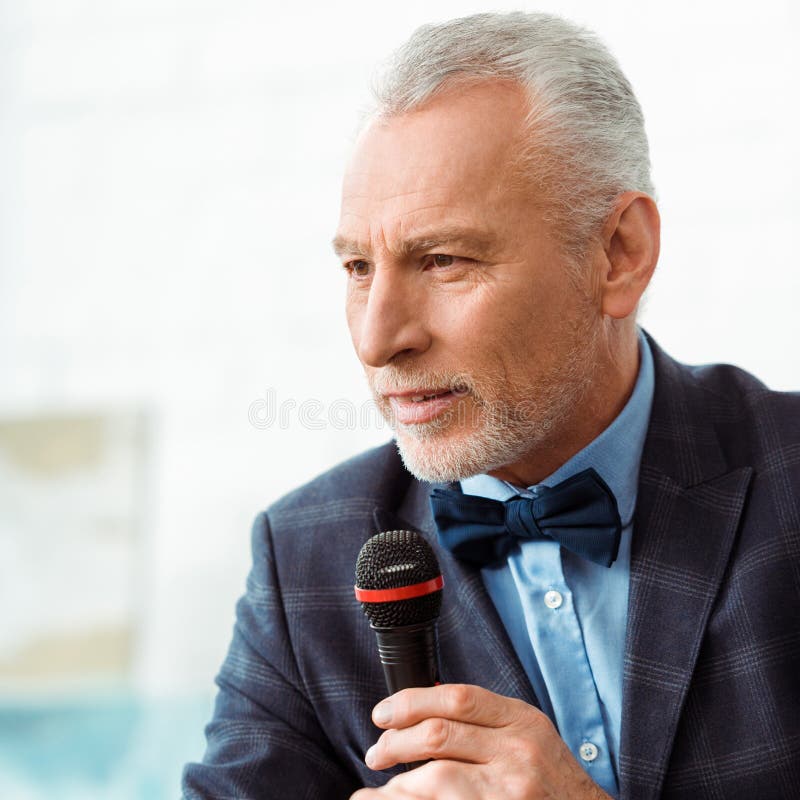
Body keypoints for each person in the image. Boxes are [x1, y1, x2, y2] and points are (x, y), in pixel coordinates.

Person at [182, 11, 800, 800]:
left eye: (441, 260)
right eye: (358, 267)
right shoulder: (302, 560)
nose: (378, 341)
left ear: (619, 254)